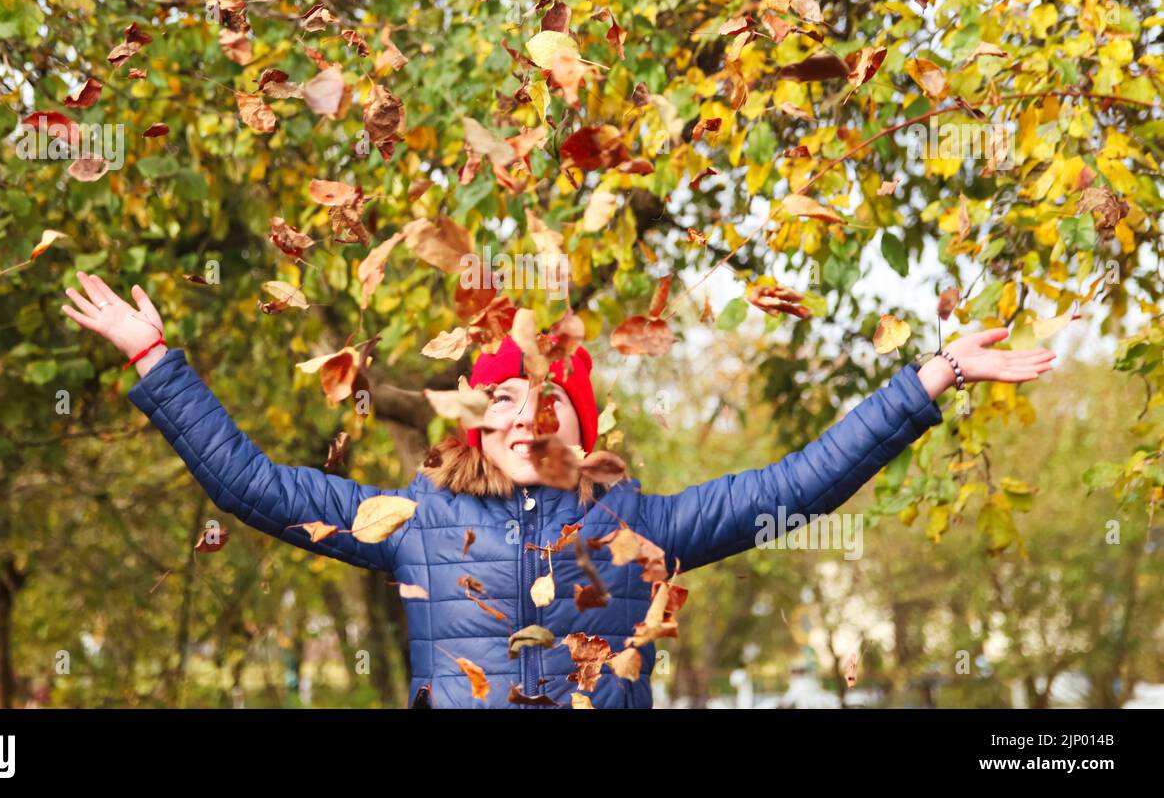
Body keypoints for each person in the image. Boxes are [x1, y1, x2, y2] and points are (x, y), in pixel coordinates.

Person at [61, 270, 1056, 708]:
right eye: (499, 402)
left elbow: (802, 480)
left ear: (582, 427)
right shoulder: (415, 521)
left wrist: (935, 376)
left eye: (546, 401)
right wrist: (154, 359)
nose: (523, 417)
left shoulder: (646, 527)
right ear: (474, 426)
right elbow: (255, 486)